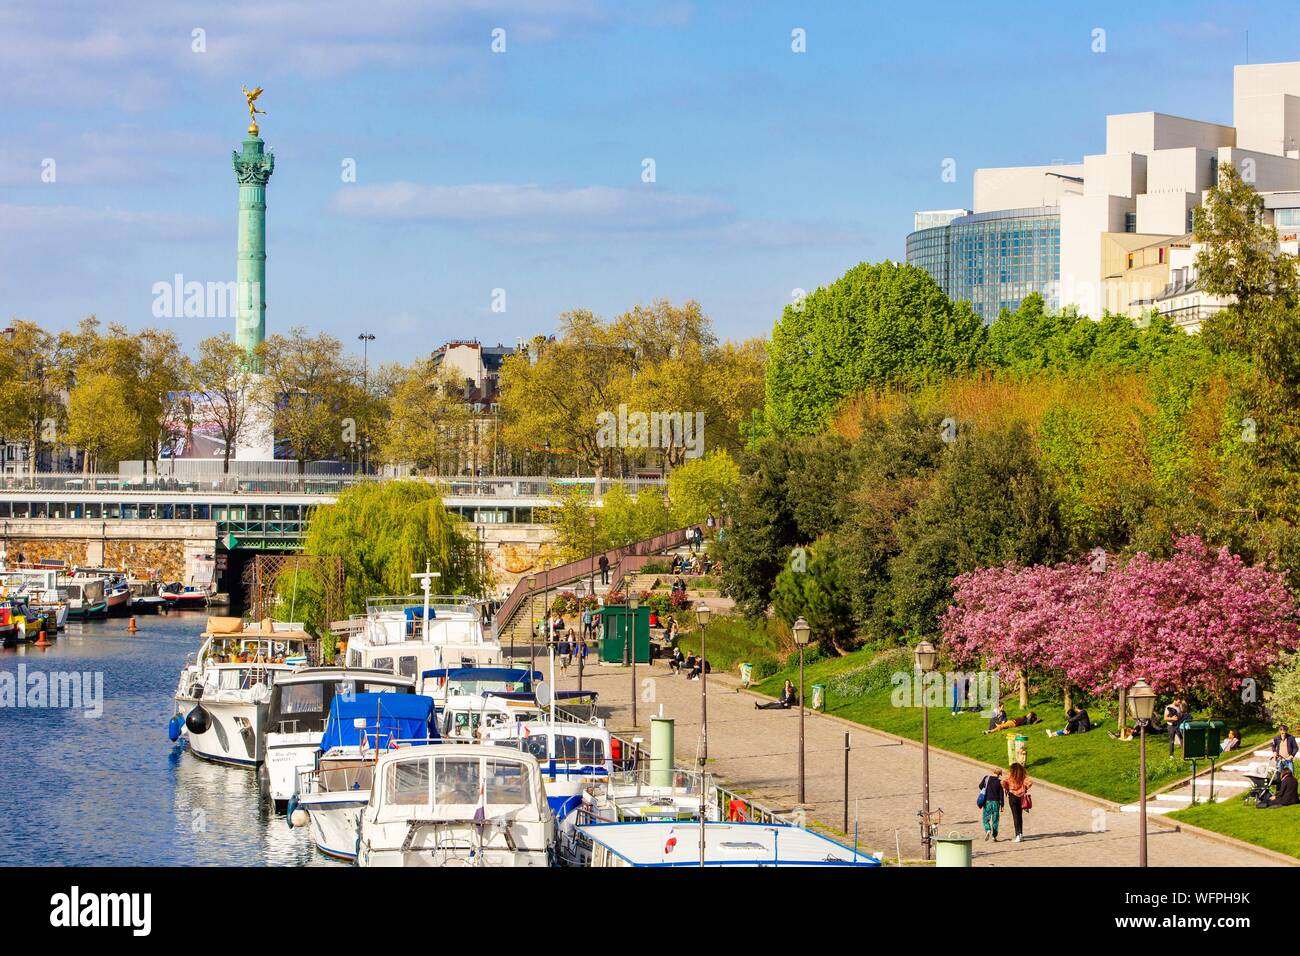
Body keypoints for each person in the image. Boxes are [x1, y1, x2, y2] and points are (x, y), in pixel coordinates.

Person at [1005, 763, 1032, 842]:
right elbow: (1030, 782)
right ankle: (1021, 834)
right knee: (1020, 816)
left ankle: (1017, 835)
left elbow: (1003, 782)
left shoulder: (1010, 775)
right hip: (1021, 796)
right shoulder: (1022, 775)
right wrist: (1024, 788)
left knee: (1015, 816)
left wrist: (1007, 788)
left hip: (1012, 796)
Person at [979, 768, 1005, 842]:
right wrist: (1002, 805)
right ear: (999, 775)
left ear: (993, 772)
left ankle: (988, 830)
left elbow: (980, 786)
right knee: (995, 820)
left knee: (985, 819)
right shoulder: (999, 782)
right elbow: (1001, 795)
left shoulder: (986, 778)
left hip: (987, 802)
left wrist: (986, 787)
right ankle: (994, 836)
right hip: (996, 803)